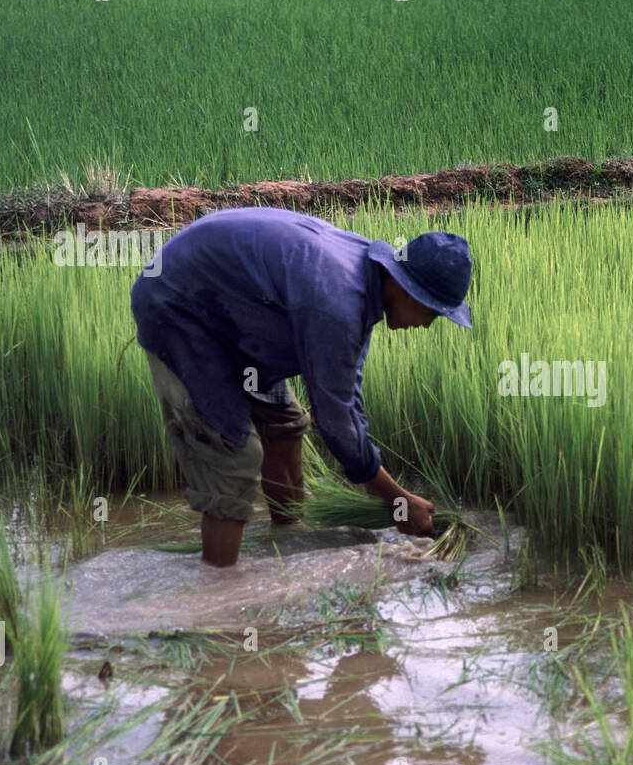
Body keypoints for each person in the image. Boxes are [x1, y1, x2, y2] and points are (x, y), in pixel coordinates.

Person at [130, 206, 472, 566]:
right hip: (180, 309)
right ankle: (219, 597)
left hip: (237, 319)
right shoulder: (338, 303)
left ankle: (285, 547)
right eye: (433, 312)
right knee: (235, 458)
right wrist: (397, 501)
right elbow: (336, 419)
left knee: (284, 425)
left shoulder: (362, 283)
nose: (429, 325)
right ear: (408, 291)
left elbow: (344, 393)